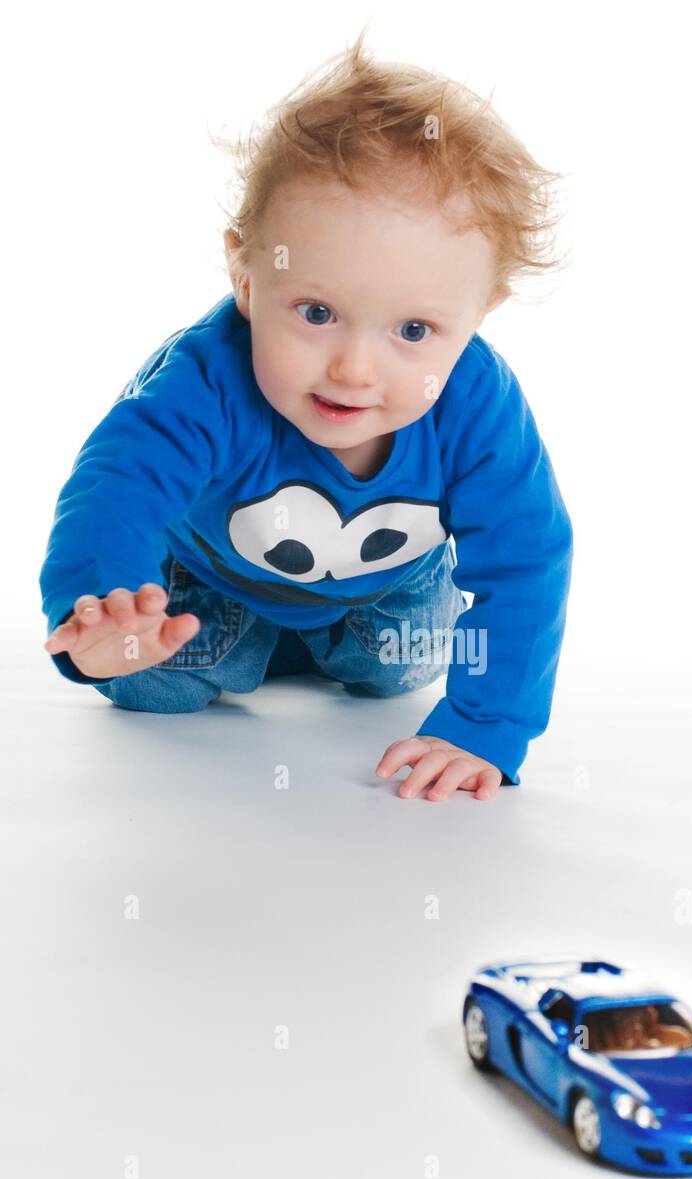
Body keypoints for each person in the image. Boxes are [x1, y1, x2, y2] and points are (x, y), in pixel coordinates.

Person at [40, 30, 573, 802]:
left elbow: (527, 555)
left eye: (414, 332)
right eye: (316, 312)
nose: (355, 370)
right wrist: (104, 602)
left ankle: (320, 646)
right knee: (154, 685)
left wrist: (487, 726)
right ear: (248, 277)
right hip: (214, 581)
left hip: (390, 589)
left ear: (478, 315)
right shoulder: (208, 379)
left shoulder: (477, 404)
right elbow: (117, 484)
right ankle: (233, 642)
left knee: (401, 667)